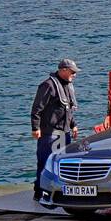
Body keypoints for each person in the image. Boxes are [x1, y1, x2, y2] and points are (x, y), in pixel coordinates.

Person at [31, 58, 80, 200]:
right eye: (72, 72)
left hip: (64, 133)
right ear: (63, 70)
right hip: (50, 133)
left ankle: (61, 192)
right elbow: (37, 109)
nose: (74, 75)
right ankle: (39, 192)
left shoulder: (68, 85)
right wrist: (35, 128)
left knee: (64, 164)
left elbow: (68, 109)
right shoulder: (48, 86)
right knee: (46, 163)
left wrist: (73, 125)